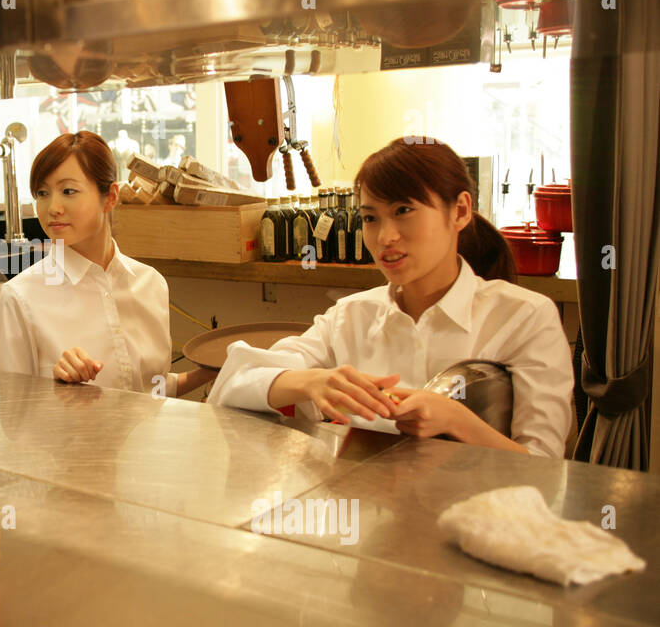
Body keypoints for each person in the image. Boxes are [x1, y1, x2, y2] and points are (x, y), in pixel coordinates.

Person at [206, 138, 574, 458]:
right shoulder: (352, 315)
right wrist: (311, 382)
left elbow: (545, 465)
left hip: (481, 523)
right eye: (370, 218)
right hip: (369, 518)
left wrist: (456, 420)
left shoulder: (524, 316)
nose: (385, 237)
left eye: (403, 211)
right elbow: (234, 382)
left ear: (460, 210)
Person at [0, 131, 217, 398]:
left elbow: (154, 389)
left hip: (152, 440)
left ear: (110, 197)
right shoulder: (20, 297)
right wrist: (58, 388)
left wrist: (211, 371)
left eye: (68, 191)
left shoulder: (151, 284)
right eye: (42, 193)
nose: (52, 207)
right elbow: (15, 419)